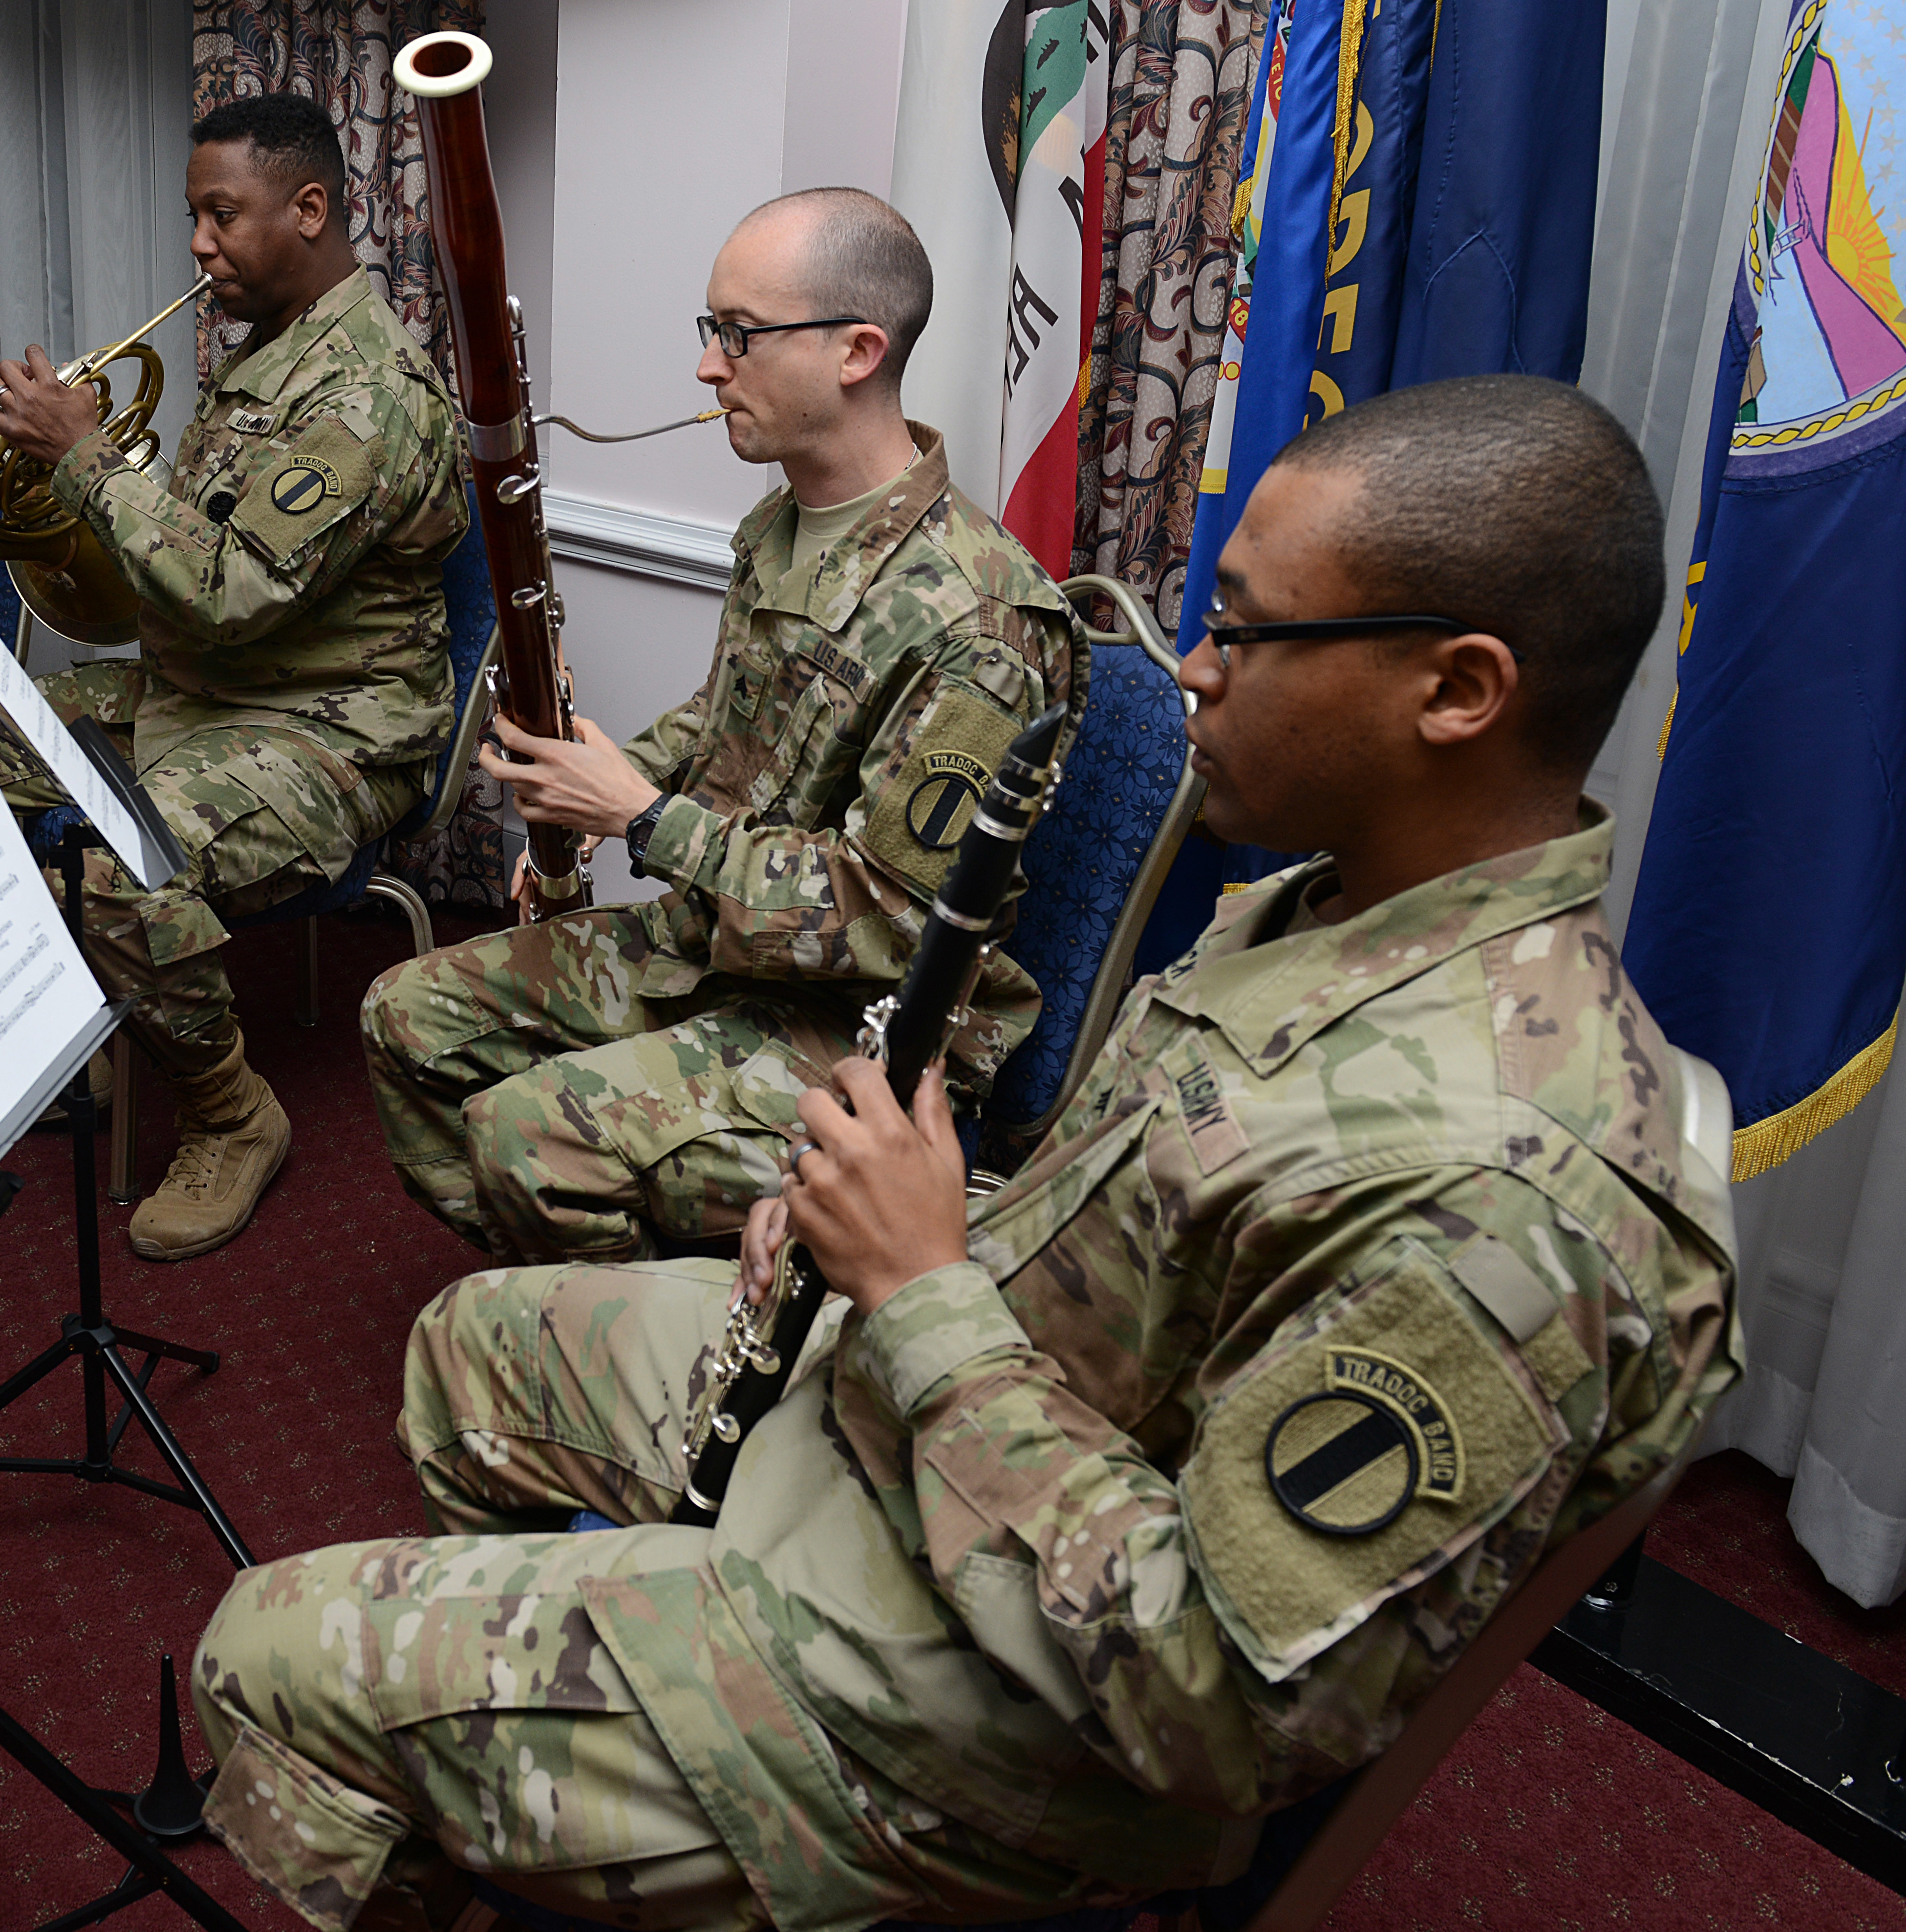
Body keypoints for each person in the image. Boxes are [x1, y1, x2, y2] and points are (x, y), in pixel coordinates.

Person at [191, 374, 1741, 1931]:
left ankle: (580, 1751)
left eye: (1251, 635)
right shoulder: (1327, 907)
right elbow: (1163, 1263)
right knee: (477, 1345)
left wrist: (922, 1285)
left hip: (1015, 1708)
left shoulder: (1503, 1193)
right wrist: (920, 1224)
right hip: (947, 1425)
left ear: (1458, 689)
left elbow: (1207, 1700)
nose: (1193, 669)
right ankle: (553, 1776)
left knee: (262, 1655)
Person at [359, 188, 1081, 1266]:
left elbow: (892, 923)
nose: (709, 367)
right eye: (714, 334)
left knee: (526, 1134)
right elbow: (727, 717)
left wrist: (645, 819)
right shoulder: (783, 525)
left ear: (857, 351)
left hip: (860, 1027)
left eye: (738, 336)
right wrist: (597, 783)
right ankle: (584, 1280)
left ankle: (634, 1345)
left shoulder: (980, 620)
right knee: (402, 1016)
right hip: (719, 946)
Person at [0, 92, 466, 1261]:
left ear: (309, 209)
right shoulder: (273, 353)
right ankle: (84, 1022)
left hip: (326, 733)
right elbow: (180, 560)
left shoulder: (367, 395)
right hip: (209, 691)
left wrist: (85, 453)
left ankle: (231, 1114)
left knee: (124, 857)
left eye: (220, 215)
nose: (198, 243)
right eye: (194, 214)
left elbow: (227, 591)